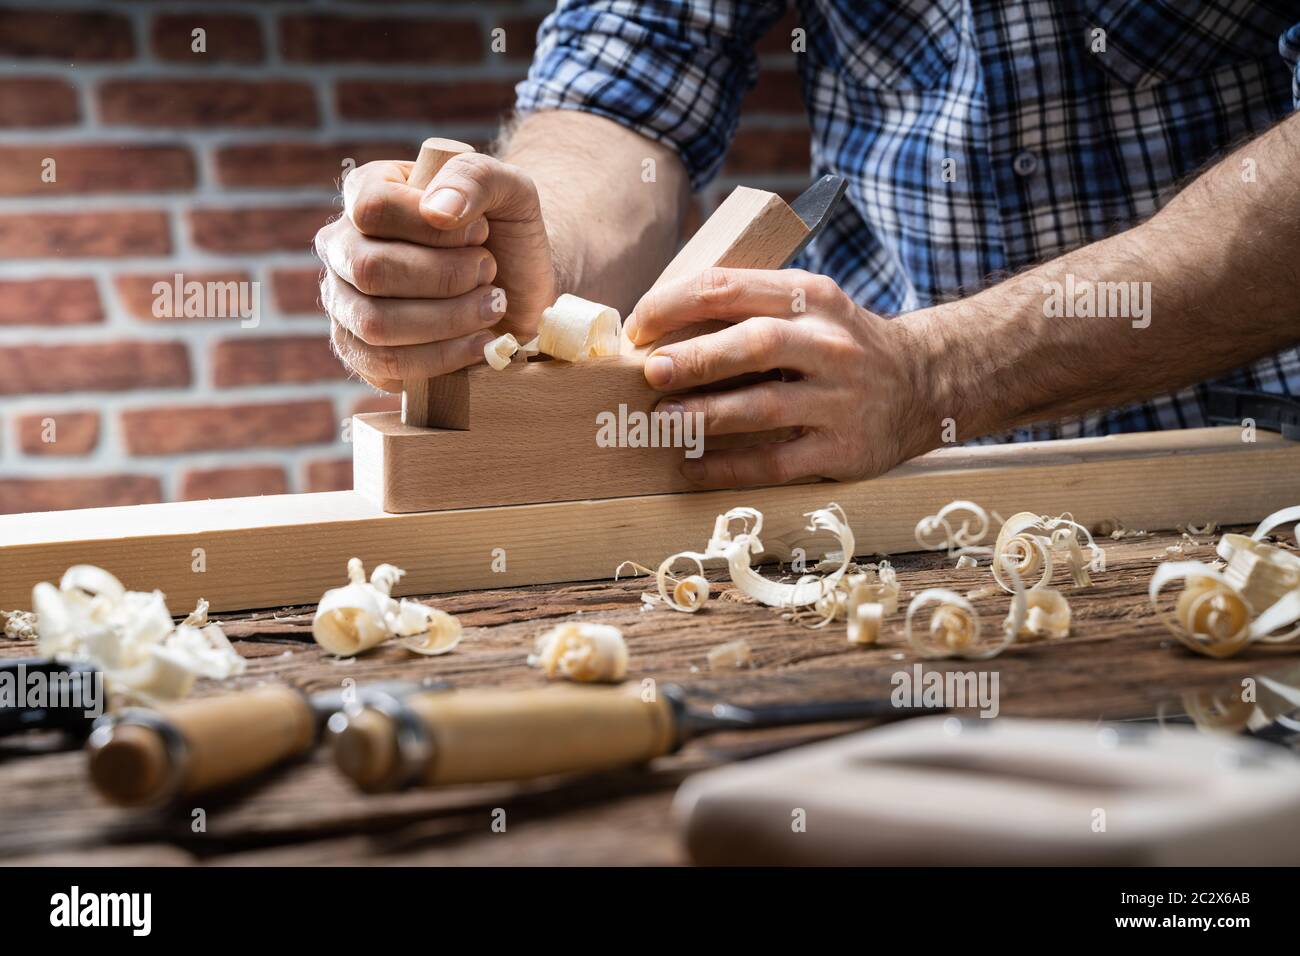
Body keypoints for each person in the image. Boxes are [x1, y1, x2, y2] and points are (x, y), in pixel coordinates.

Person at [316, 1, 1300, 489]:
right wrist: (521, 246)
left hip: (1251, 467)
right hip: (882, 478)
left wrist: (940, 372)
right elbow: (629, 85)